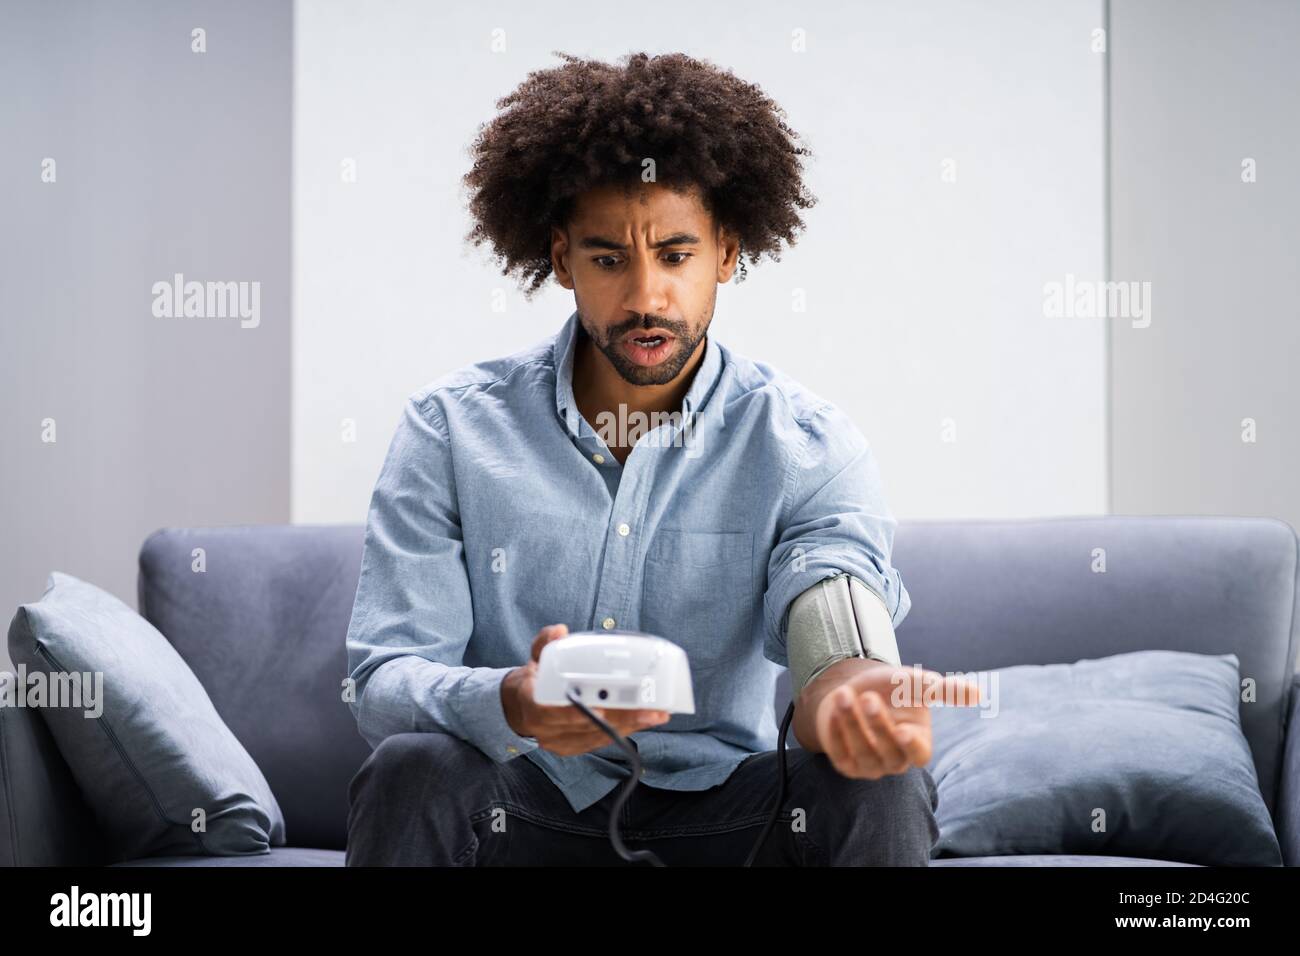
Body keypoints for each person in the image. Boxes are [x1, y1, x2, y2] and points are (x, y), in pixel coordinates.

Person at [344, 51, 978, 866]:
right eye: (609, 259)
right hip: (523, 804)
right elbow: (383, 682)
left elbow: (831, 591)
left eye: (676, 255)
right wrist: (511, 701)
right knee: (414, 765)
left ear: (728, 253)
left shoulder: (805, 443)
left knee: (878, 784)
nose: (645, 296)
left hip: (727, 816)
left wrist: (854, 694)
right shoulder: (449, 430)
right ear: (562, 258)